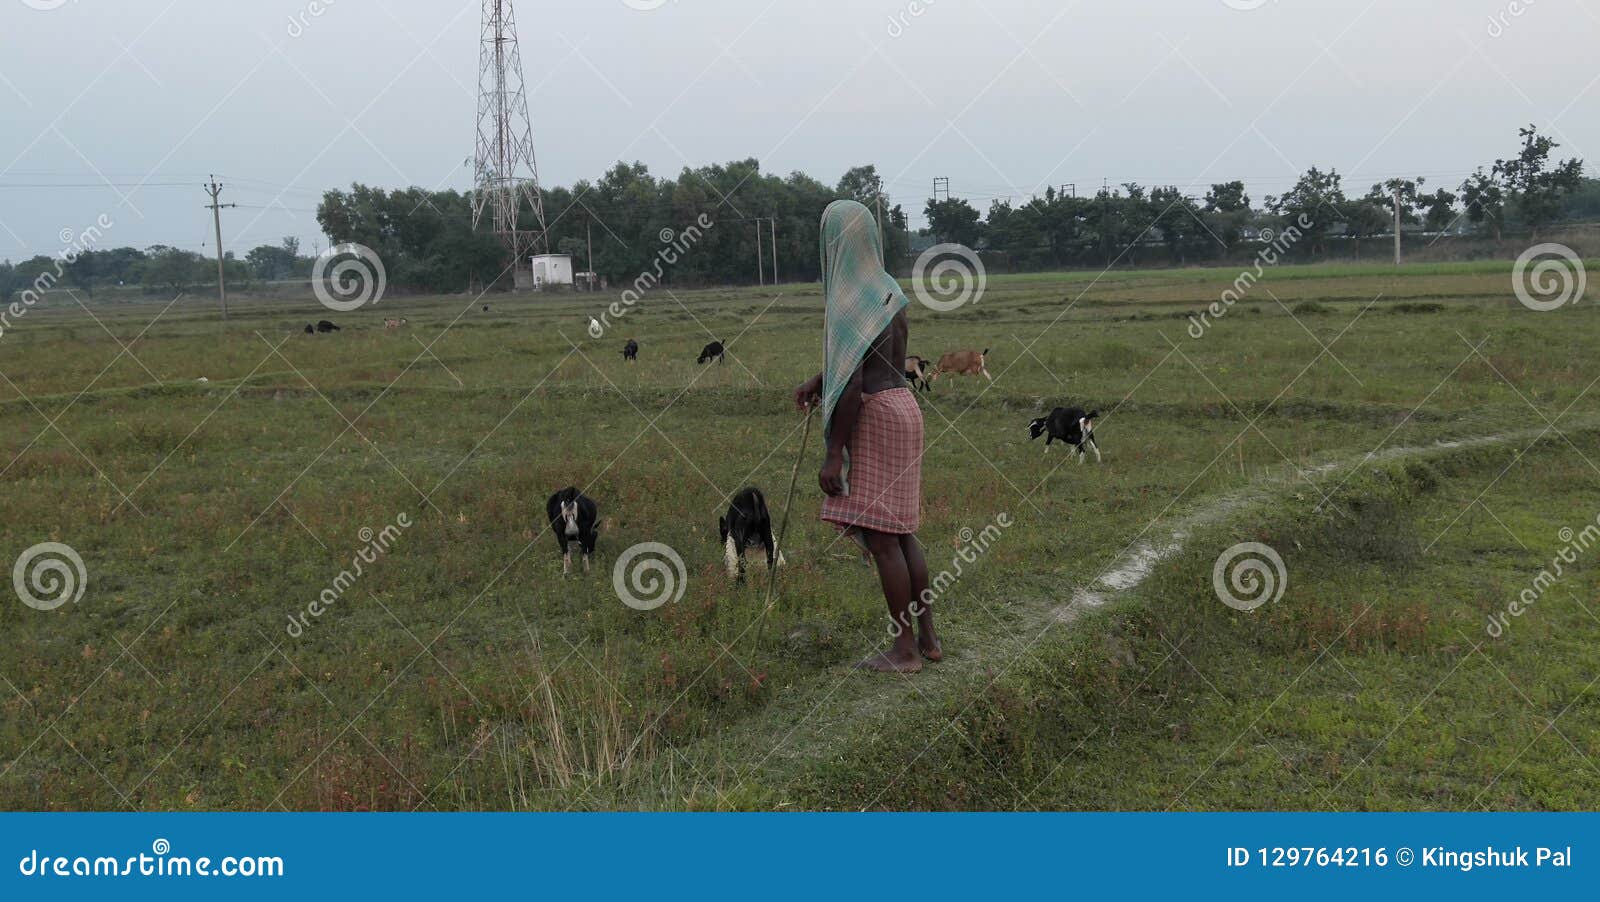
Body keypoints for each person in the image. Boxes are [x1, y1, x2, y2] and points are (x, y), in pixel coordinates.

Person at [794, 200, 939, 673]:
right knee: (903, 531)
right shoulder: (888, 290)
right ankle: (928, 639)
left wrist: (833, 453)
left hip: (876, 413)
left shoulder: (848, 298)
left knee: (882, 540)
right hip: (906, 407)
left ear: (834, 242)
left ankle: (904, 651)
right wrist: (822, 379)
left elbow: (855, 381)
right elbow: (876, 358)